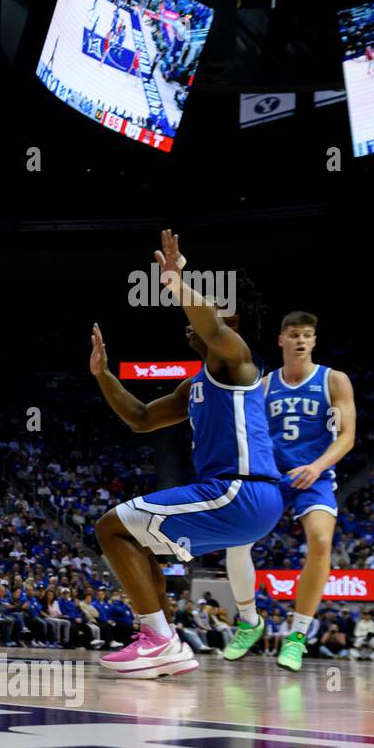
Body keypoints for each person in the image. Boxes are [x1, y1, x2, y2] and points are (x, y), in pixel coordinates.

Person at [90, 231, 283, 678]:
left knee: (110, 528)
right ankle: (165, 642)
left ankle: (159, 640)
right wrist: (102, 375)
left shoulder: (236, 356)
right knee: (137, 542)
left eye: (213, 306)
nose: (193, 321)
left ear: (231, 319)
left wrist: (177, 282)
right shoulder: (195, 383)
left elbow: (212, 327)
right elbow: (140, 417)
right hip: (241, 497)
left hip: (240, 490)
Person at [223, 311, 356, 672]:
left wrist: (317, 467)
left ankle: (296, 637)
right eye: (294, 334)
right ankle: (249, 623)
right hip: (272, 478)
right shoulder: (264, 385)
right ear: (281, 340)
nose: (301, 341)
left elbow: (347, 437)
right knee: (237, 542)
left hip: (315, 476)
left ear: (314, 341)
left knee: (322, 542)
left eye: (307, 335)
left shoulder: (334, 380)